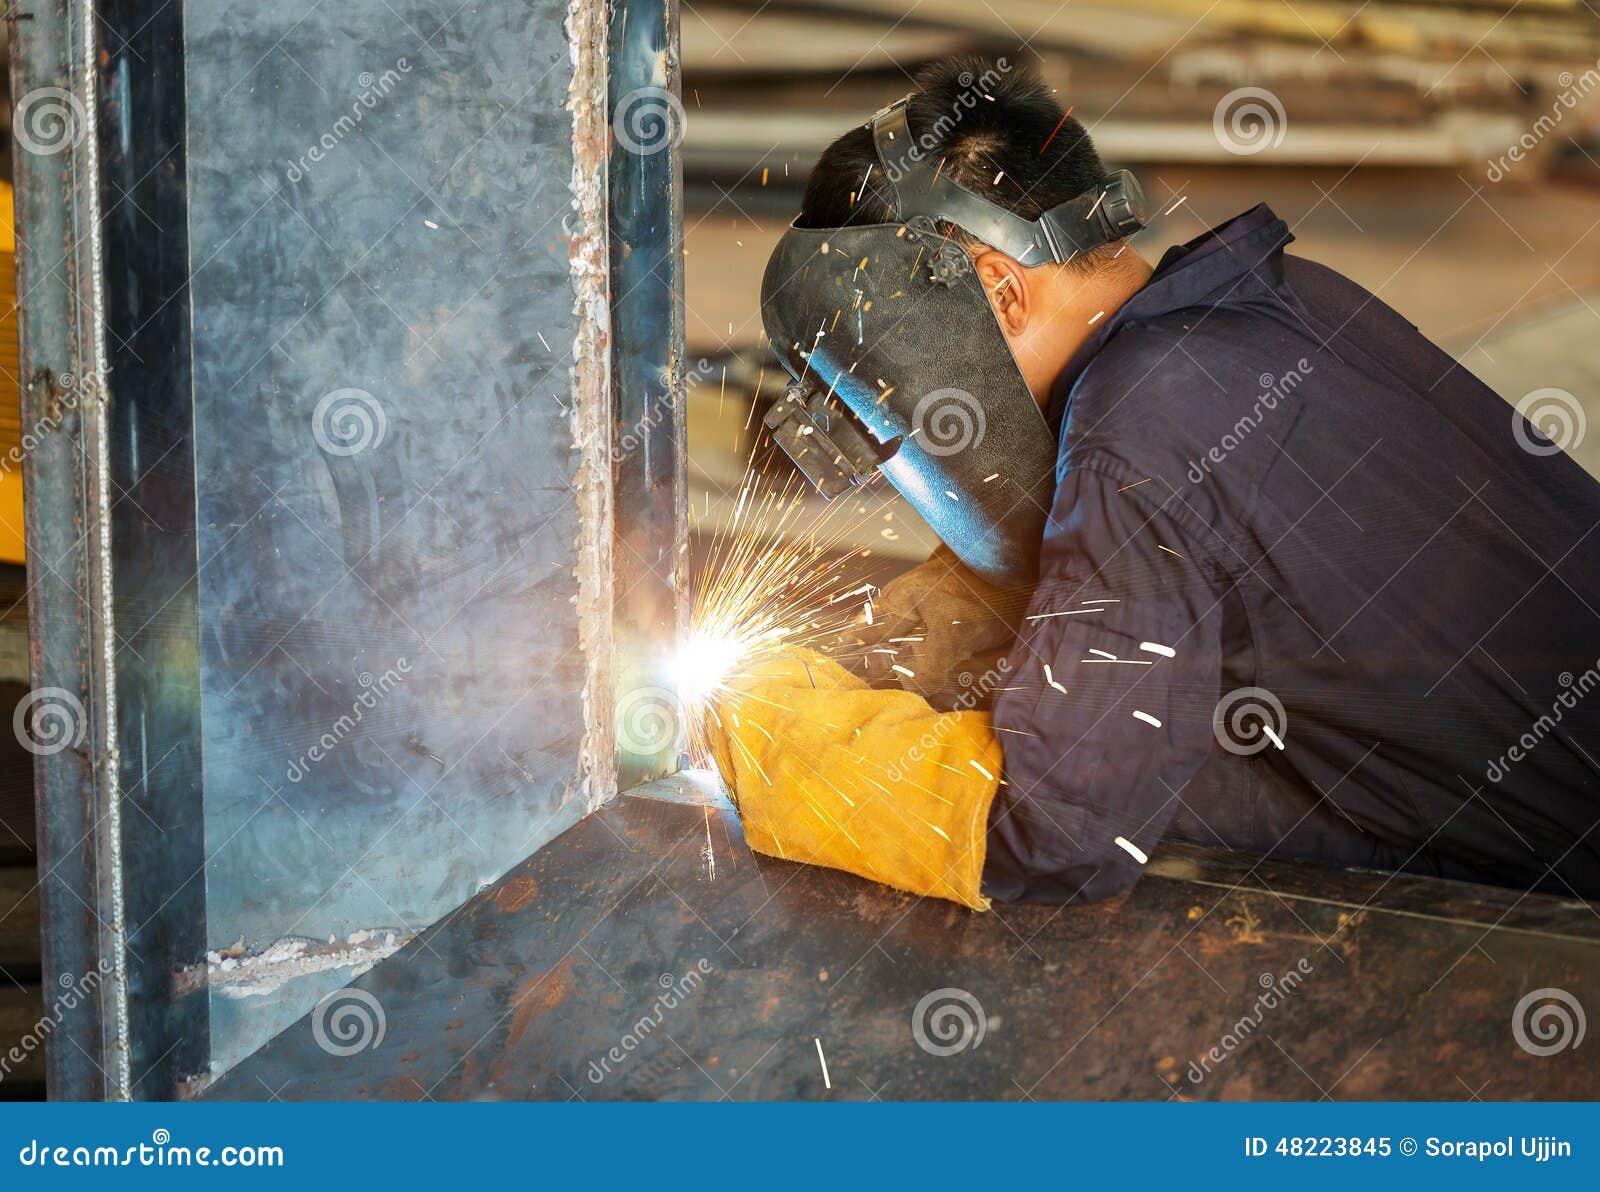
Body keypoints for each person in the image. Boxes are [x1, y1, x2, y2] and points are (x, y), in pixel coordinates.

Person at [719, 53, 1600, 905]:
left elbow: (1051, 838)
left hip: (1556, 904)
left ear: (998, 290)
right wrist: (971, 623)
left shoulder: (1137, 429)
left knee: (1130, 809)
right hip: (1516, 799)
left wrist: (789, 745)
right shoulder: (1285, 306)